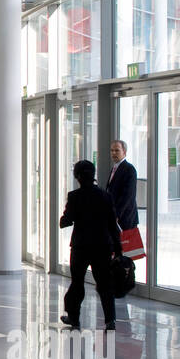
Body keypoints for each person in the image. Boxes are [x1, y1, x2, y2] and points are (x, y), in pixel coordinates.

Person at [58, 159, 122, 331]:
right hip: (103, 246)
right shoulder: (105, 196)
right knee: (104, 284)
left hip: (81, 246)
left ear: (77, 176)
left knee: (77, 282)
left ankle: (74, 318)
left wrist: (62, 220)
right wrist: (118, 249)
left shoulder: (74, 196)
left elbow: (67, 220)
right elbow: (112, 225)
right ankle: (110, 320)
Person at [104, 139, 139, 232]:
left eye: (117, 150)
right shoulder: (115, 168)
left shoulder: (129, 169)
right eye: (112, 150)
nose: (113, 153)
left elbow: (128, 196)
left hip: (125, 217)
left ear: (124, 152)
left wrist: (116, 214)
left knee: (129, 246)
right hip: (115, 216)